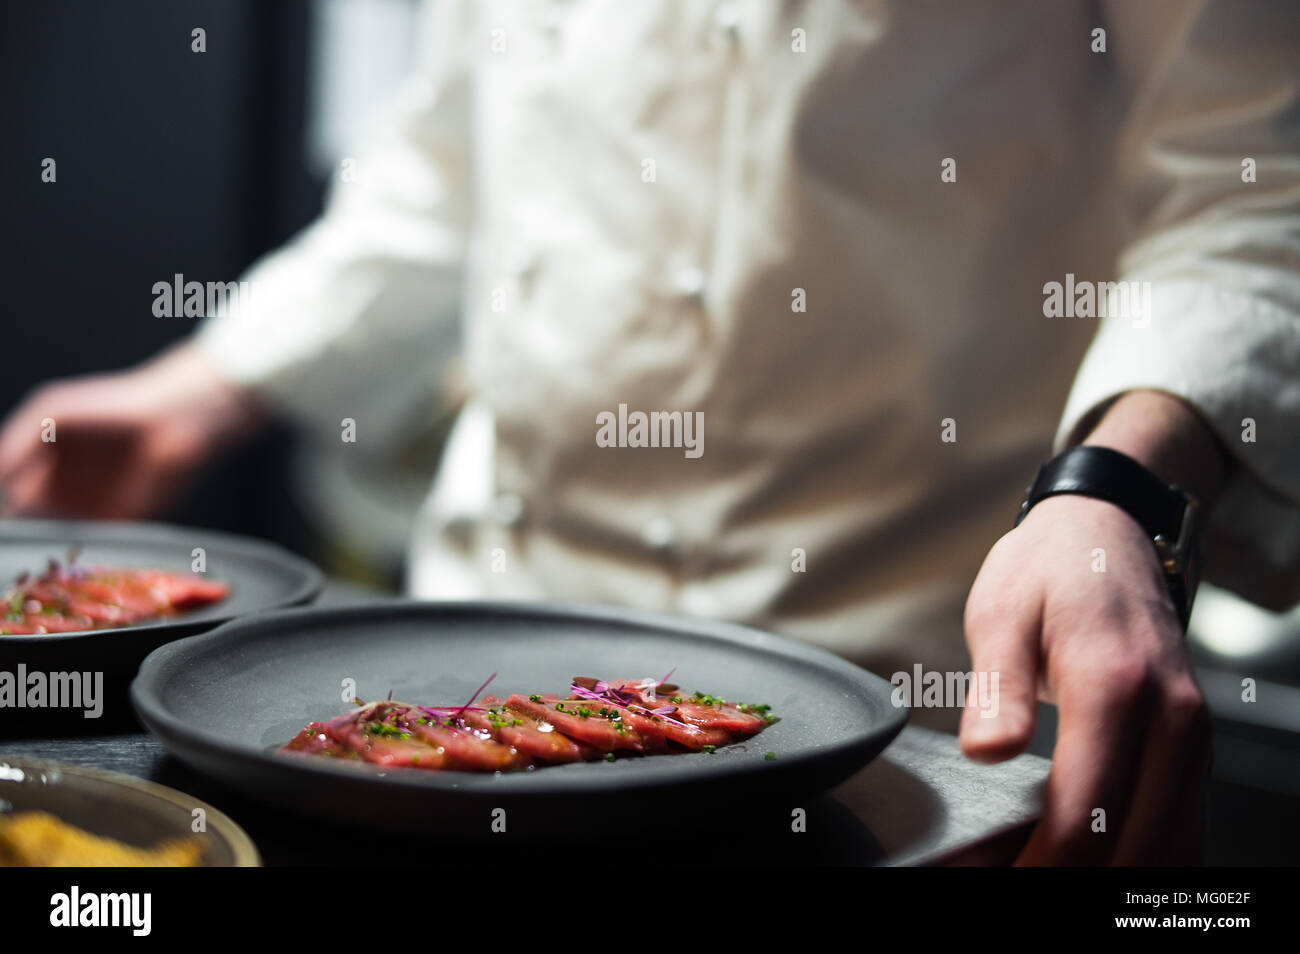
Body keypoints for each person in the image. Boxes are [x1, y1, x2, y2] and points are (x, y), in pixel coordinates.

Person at [2, 1, 1297, 865]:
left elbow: (1255, 178)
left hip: (911, 713)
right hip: (459, 673)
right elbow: (447, 174)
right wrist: (204, 384)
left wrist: (1117, 488)